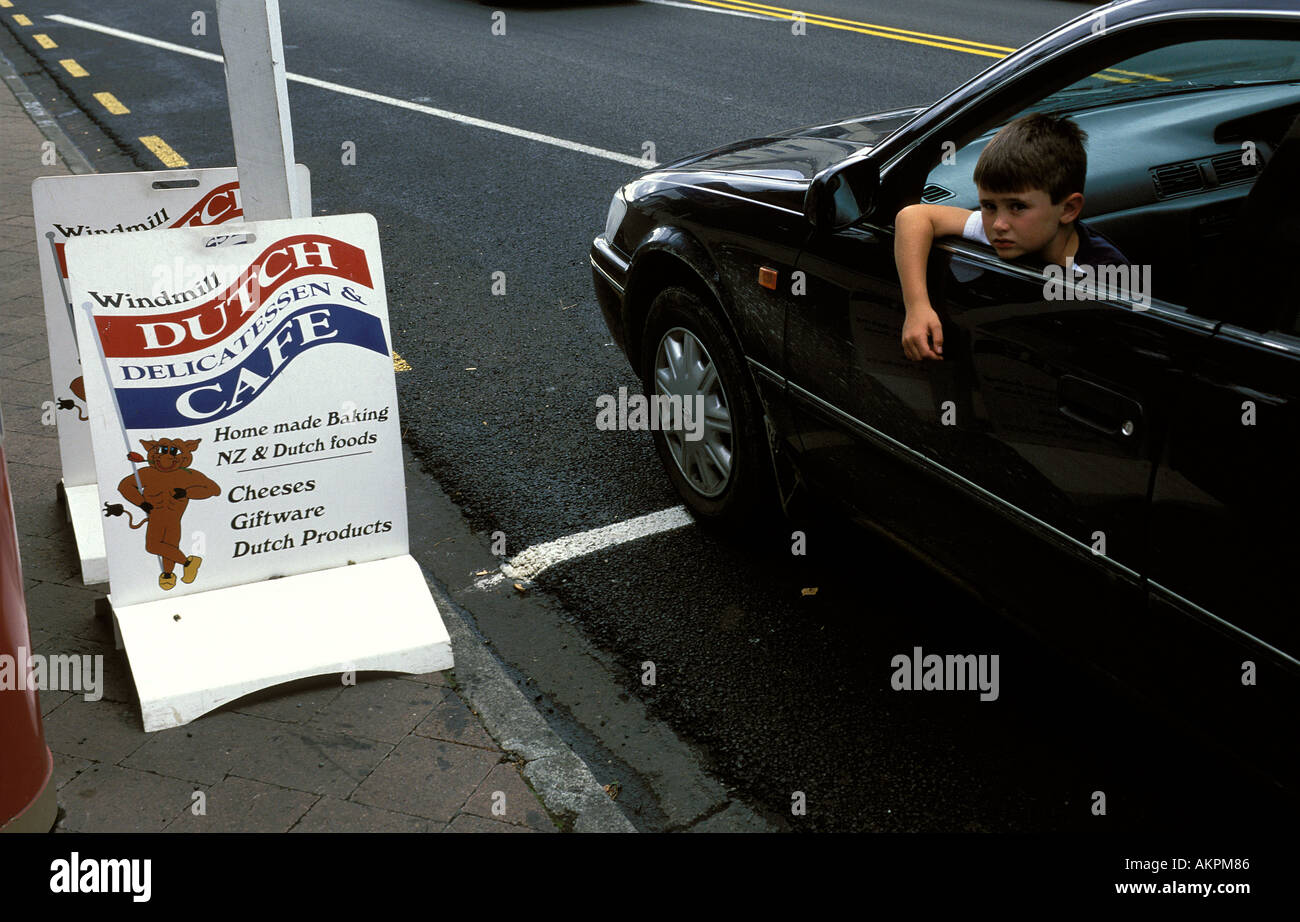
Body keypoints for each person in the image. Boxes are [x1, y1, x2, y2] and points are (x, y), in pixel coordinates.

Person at [894, 113, 1130, 361]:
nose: (998, 224)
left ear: (1068, 209)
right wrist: (917, 306)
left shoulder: (1105, 277)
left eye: (1017, 207)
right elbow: (913, 217)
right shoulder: (1005, 230)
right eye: (988, 206)